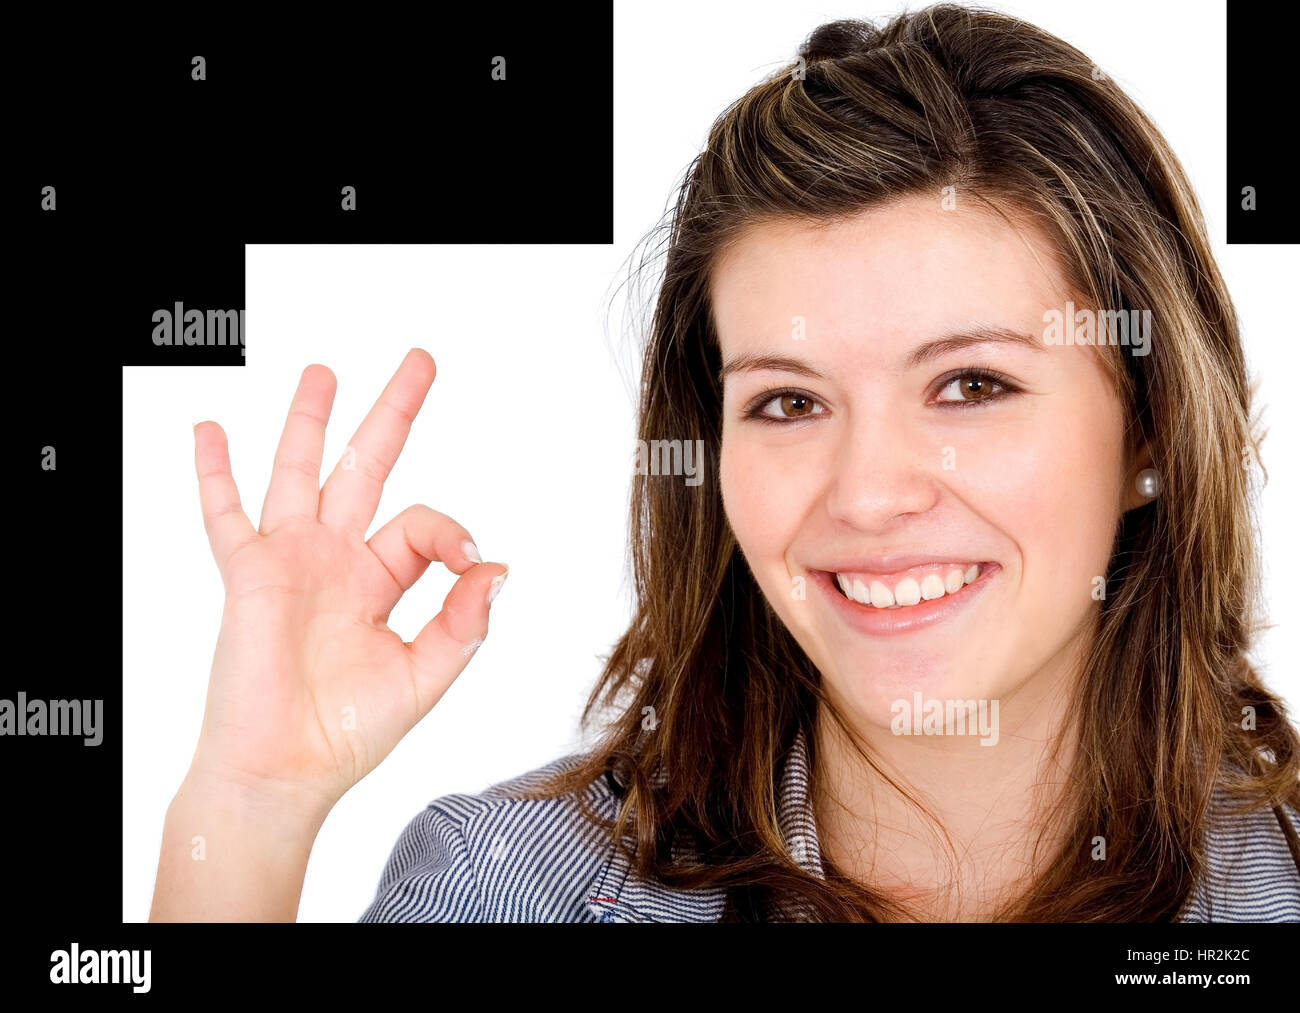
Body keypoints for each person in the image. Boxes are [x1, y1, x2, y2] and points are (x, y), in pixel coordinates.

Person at [150, 4, 1300, 923]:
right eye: (789, 401)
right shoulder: (514, 890)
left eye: (970, 384)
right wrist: (247, 804)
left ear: (1149, 428)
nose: (866, 493)